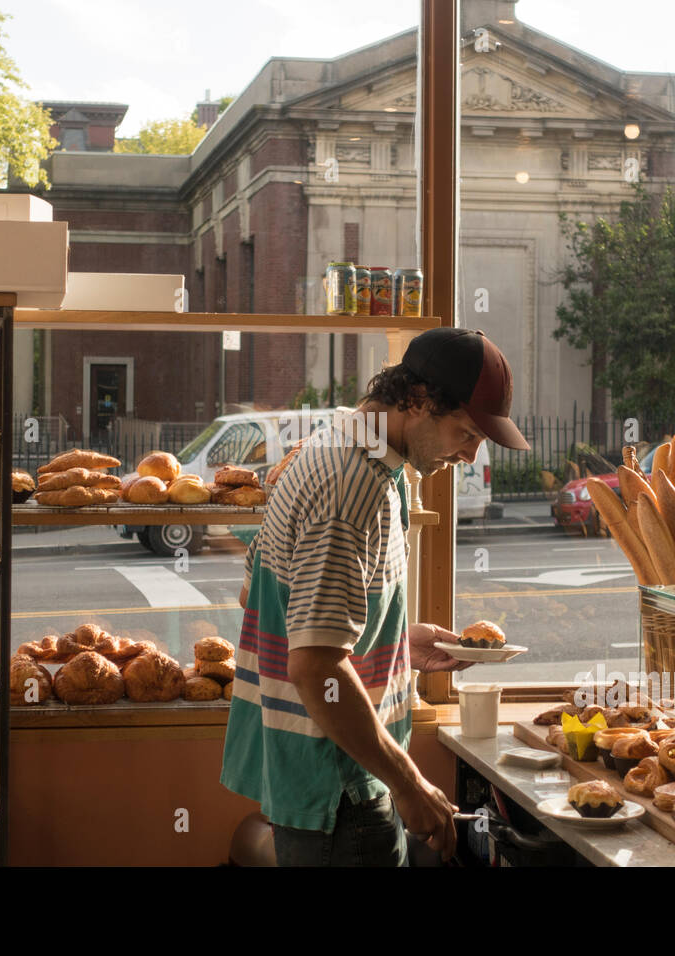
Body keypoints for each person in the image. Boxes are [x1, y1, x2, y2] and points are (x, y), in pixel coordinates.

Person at [220, 327, 530, 866]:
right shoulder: (353, 488)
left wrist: (399, 645)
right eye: (467, 432)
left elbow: (265, 598)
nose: (471, 454)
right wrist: (410, 786)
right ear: (415, 400)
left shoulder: (328, 443)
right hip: (341, 789)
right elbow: (315, 669)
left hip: (309, 777)